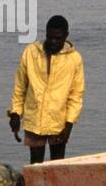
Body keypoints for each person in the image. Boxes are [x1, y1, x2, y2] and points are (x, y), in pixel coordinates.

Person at [7, 15, 85, 163]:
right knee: (35, 165)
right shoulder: (31, 52)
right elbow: (20, 86)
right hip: (34, 119)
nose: (53, 42)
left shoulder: (75, 59)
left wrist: (69, 125)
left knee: (57, 166)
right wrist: (15, 114)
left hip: (59, 122)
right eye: (50, 37)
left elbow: (76, 95)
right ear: (46, 33)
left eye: (58, 38)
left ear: (66, 36)